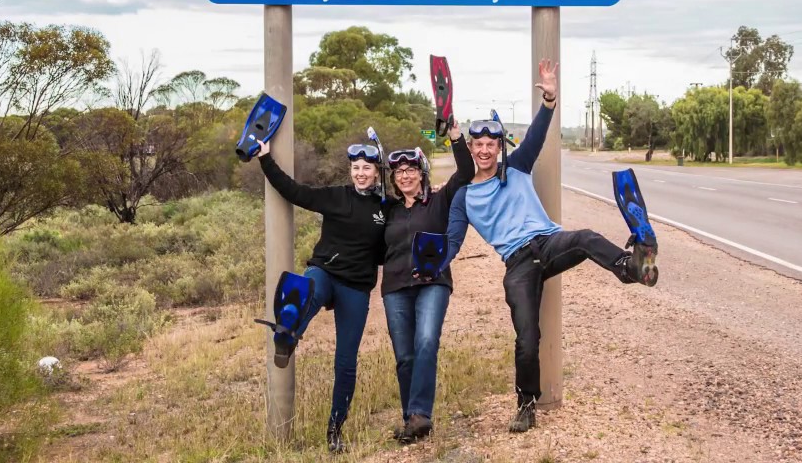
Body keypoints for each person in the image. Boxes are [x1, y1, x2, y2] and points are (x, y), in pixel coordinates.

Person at [439, 59, 659, 434]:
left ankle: (630, 267)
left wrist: (550, 99)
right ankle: (526, 405)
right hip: (517, 265)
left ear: (499, 147)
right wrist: (431, 259)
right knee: (527, 338)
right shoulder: (463, 197)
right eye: (479, 144)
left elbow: (537, 135)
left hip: (548, 242)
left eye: (492, 144)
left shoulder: (518, 166)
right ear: (472, 148)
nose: (486, 150)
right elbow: (452, 243)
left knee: (587, 237)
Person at [254, 137, 390, 453]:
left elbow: (392, 244)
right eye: (355, 168)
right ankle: (287, 335)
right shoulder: (336, 197)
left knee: (345, 362)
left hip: (356, 287)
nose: (360, 173)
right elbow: (294, 191)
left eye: (366, 168)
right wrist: (265, 159)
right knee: (307, 287)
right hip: (326, 272)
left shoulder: (386, 208)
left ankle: (334, 429)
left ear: (376, 171)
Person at [379, 121, 474, 444]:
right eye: (399, 172)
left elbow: (465, 172)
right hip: (395, 287)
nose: (404, 176)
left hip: (433, 282)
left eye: (410, 170)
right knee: (404, 356)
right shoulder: (389, 211)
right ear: (393, 179)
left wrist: (456, 137)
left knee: (426, 342)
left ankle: (420, 413)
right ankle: (411, 422)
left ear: (422, 173)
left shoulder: (439, 200)